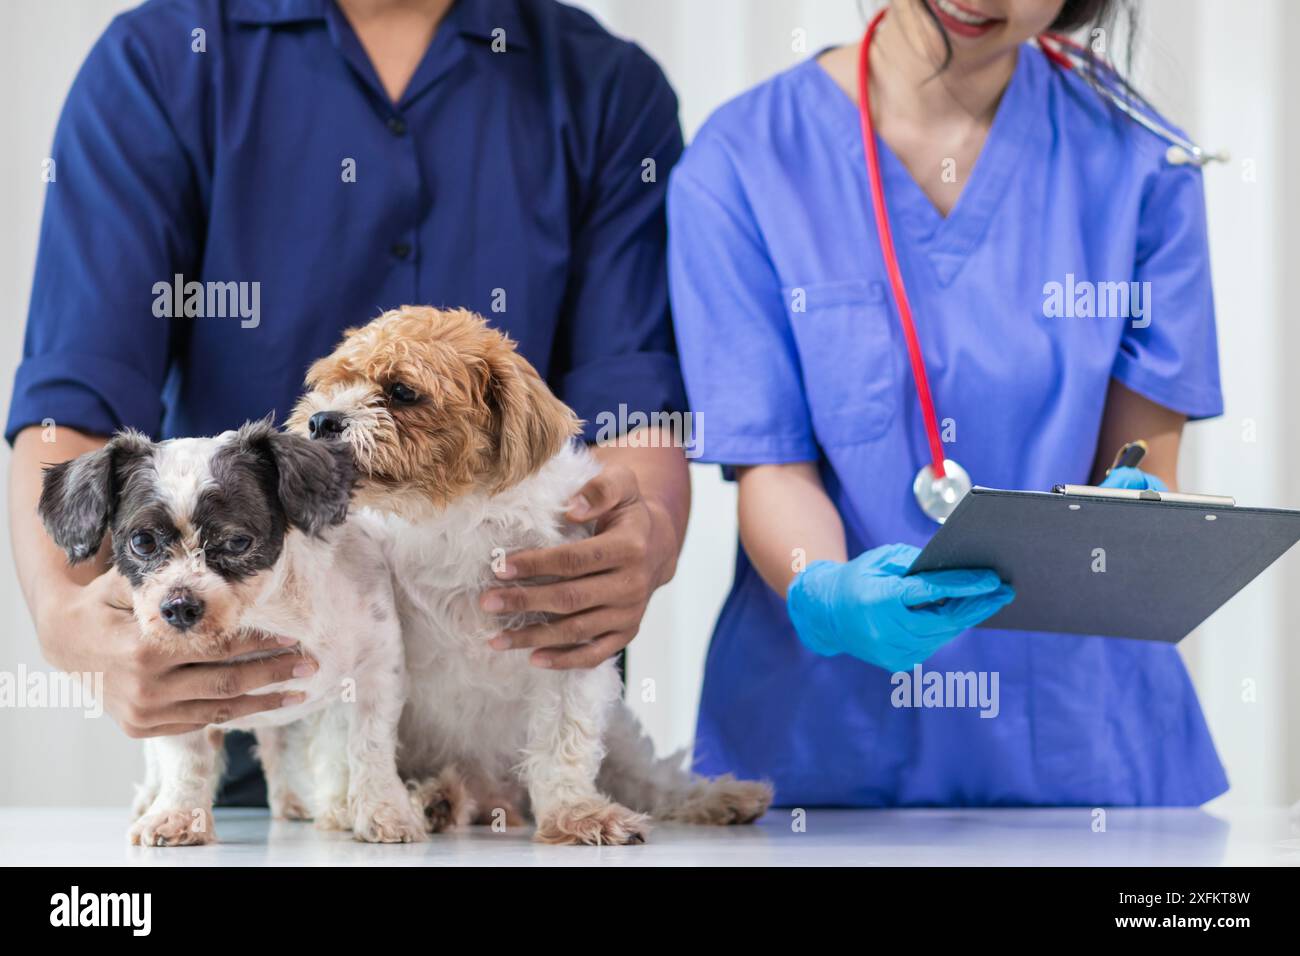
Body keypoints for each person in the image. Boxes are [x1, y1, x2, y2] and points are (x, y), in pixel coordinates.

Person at [8, 0, 689, 805]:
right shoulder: (161, 60)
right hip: (264, 710)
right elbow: (73, 402)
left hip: (518, 733)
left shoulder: (606, 84)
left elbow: (634, 410)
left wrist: (646, 540)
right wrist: (66, 622)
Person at [668, 0, 1227, 806]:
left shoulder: (1142, 162)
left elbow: (1142, 462)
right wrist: (827, 593)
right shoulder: (744, 161)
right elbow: (772, 468)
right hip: (827, 749)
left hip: (1079, 752)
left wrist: (1136, 516)